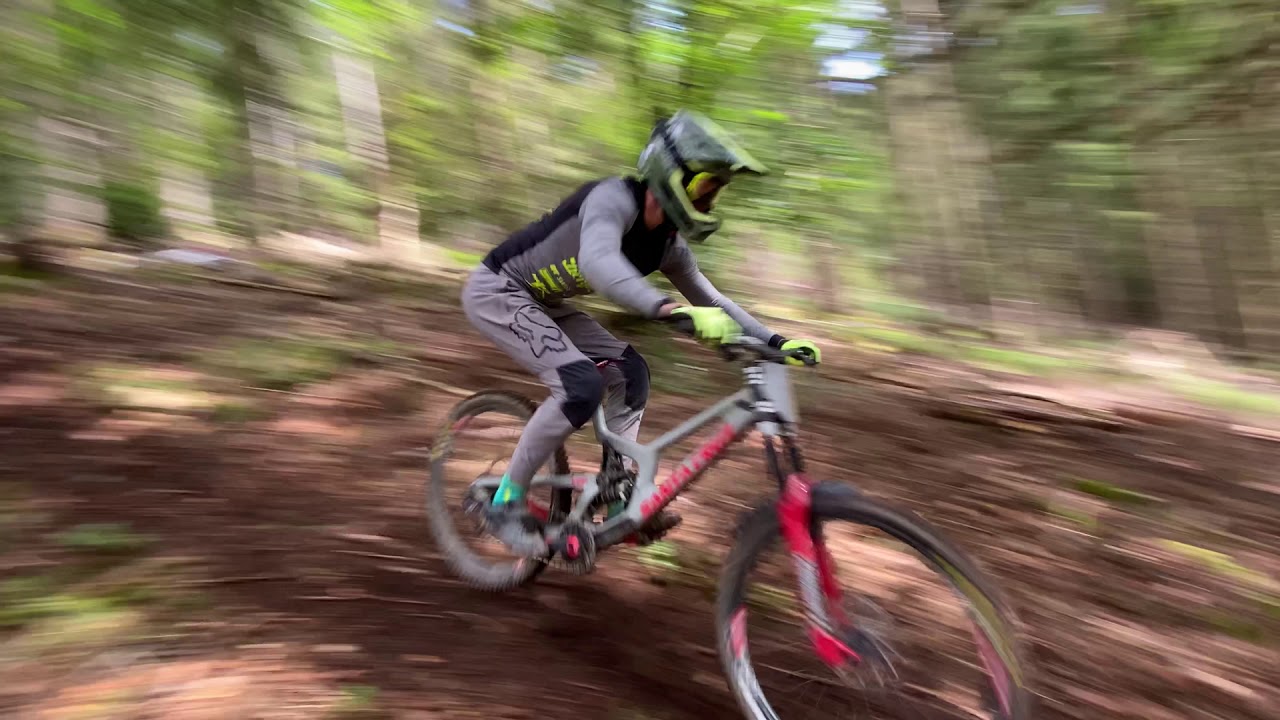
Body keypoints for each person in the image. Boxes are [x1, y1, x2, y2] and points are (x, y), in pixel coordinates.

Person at [460, 109, 821, 555]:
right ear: (672, 174)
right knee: (580, 385)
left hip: (543, 303)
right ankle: (505, 501)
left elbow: (714, 299)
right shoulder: (613, 199)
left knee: (631, 372)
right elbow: (598, 263)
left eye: (716, 192)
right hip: (498, 289)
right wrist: (667, 308)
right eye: (706, 187)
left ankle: (617, 499)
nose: (710, 200)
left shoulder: (667, 245)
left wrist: (775, 342)